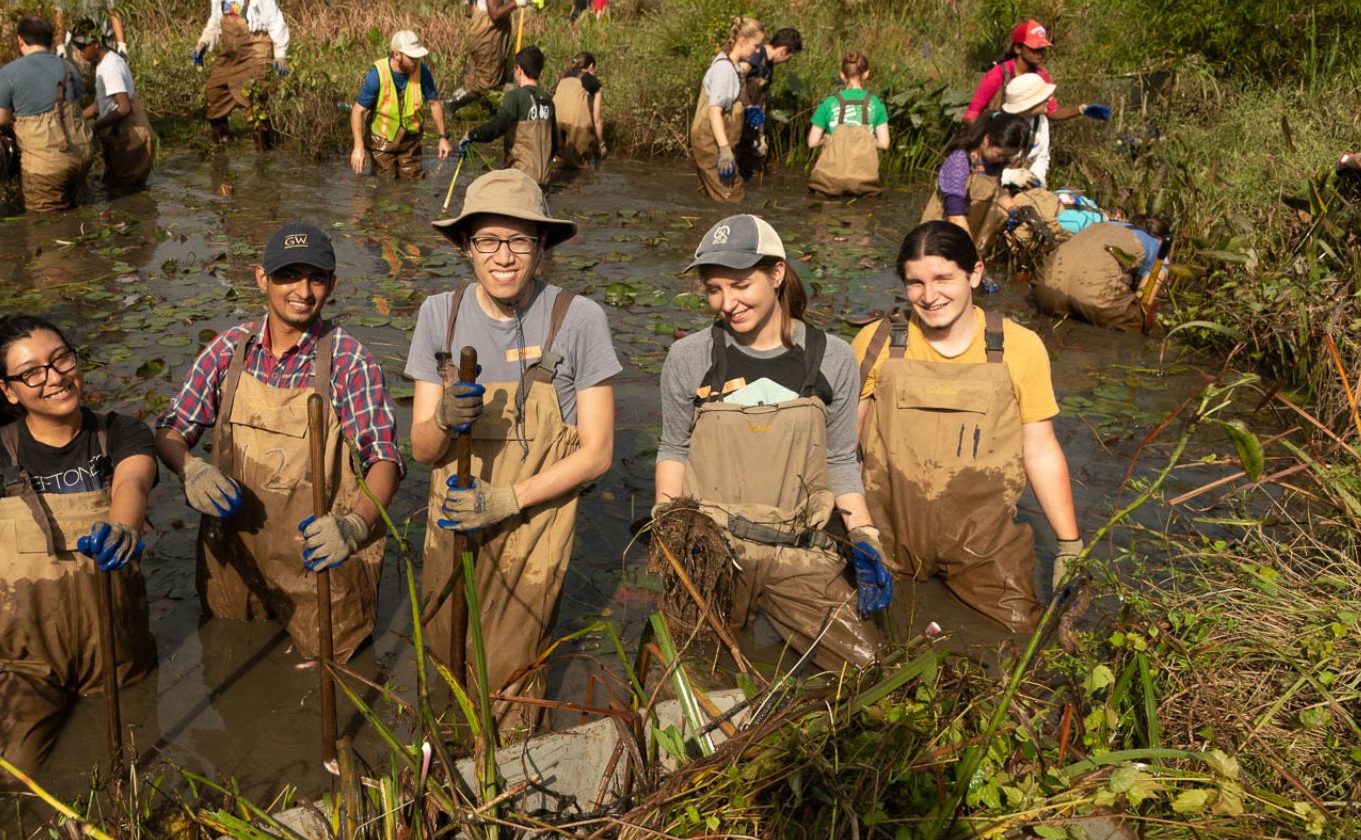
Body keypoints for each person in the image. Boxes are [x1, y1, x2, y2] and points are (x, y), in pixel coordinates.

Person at [406, 169, 621, 733]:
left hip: (532, 528)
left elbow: (597, 454)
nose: (503, 256)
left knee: (508, 691)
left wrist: (506, 498)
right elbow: (422, 450)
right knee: (443, 671)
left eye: (519, 240)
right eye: (487, 241)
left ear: (541, 246)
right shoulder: (439, 315)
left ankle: (507, 796)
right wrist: (442, 420)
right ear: (466, 248)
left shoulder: (578, 319)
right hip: (449, 525)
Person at [155, 224, 400, 663]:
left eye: (316, 278)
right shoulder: (229, 349)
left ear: (332, 285)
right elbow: (172, 430)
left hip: (320, 557)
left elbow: (383, 459)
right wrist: (190, 469)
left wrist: (355, 525)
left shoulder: (348, 360)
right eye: (288, 276)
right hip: (234, 556)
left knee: (332, 679)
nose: (302, 291)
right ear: (261, 279)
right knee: (230, 661)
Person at [655, 215, 889, 669]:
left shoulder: (832, 358)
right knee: (697, 671)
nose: (727, 302)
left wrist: (864, 536)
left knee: (867, 670)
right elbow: (674, 449)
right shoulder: (689, 357)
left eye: (740, 285)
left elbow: (840, 459)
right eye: (714, 289)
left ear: (777, 273)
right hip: (712, 547)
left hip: (800, 550)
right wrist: (668, 531)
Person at [0, 315, 159, 773]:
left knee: (138, 767)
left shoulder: (118, 432)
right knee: (13, 782)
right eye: (32, 372)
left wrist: (124, 528)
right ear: (9, 390)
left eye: (61, 360)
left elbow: (133, 482)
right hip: (22, 665)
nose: (55, 378)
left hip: (118, 650)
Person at [852, 222, 1082, 633]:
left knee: (1024, 643)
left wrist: (1069, 545)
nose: (929, 295)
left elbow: (1041, 450)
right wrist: (853, 528)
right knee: (872, 639)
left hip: (985, 546)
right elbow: (842, 443)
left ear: (975, 274)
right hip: (887, 537)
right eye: (915, 282)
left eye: (943, 278)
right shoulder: (879, 340)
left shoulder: (1020, 346)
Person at [0, 14, 91, 212]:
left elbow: (0, 120)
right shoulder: (69, 67)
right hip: (81, 159)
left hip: (46, 166)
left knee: (46, 231)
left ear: (20, 40)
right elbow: (78, 106)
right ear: (52, 40)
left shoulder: (8, 73)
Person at [193, 0, 290, 144]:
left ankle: (263, 151)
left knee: (252, 102)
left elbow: (275, 22)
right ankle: (222, 141)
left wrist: (280, 54)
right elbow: (214, 21)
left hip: (256, 51)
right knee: (214, 91)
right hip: (230, 53)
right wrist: (203, 42)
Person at [349, 29, 452, 180]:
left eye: (417, 57)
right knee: (385, 185)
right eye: (411, 58)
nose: (416, 62)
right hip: (381, 142)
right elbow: (357, 111)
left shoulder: (422, 72)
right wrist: (358, 147)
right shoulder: (378, 74)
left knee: (413, 181)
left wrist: (443, 137)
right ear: (396, 54)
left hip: (410, 141)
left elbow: (434, 103)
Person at [1032, 217, 1166, 331]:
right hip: (1093, 295)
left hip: (1046, 289)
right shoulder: (1159, 247)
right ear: (1160, 239)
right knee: (1138, 321)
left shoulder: (1100, 225)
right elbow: (1144, 301)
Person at [962, 20, 1108, 125]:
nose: (1041, 53)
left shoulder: (1042, 78)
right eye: (1035, 49)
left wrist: (1081, 109)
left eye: (1042, 49)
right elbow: (971, 116)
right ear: (1018, 49)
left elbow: (1051, 111)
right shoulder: (998, 75)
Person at [923, 111, 1032, 252]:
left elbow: (998, 193)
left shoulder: (993, 163)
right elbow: (955, 215)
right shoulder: (959, 162)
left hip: (972, 234)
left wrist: (1015, 212)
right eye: (1000, 154)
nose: (1003, 160)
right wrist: (970, 253)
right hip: (942, 237)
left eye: (1007, 156)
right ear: (986, 140)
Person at [72, 23, 156, 190]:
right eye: (77, 47)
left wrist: (94, 128)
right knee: (114, 187)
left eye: (83, 47)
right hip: (124, 137)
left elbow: (124, 108)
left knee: (125, 196)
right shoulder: (104, 62)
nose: (80, 52)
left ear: (96, 43)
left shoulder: (110, 67)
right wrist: (78, 118)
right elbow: (100, 104)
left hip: (131, 139)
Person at [459, 47, 556, 186]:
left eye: (515, 69)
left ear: (519, 69)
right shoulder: (548, 100)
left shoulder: (515, 97)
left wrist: (472, 135)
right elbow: (555, 144)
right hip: (544, 180)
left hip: (521, 178)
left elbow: (498, 126)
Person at [691, 17, 762, 202]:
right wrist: (724, 151)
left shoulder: (733, 66)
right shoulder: (724, 69)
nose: (757, 51)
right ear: (743, 41)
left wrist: (748, 111)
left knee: (710, 195)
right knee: (733, 197)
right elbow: (714, 112)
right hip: (710, 141)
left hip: (714, 139)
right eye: (756, 45)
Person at [806, 51, 890, 196]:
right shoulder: (876, 104)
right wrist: (864, 141)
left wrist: (830, 140)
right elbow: (884, 144)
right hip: (864, 181)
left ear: (842, 75)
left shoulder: (828, 103)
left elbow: (812, 142)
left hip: (829, 181)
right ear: (866, 74)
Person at [447, 0, 517, 111]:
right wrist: (516, 3)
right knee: (487, 81)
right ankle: (450, 104)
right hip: (489, 40)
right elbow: (495, 14)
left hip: (477, 38)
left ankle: (491, 110)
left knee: (477, 77)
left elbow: (468, 12)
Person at [739, 26, 802, 171]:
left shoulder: (769, 66)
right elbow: (737, 77)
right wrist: (748, 108)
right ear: (783, 50)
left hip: (748, 121)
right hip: (736, 115)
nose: (787, 61)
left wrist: (760, 134)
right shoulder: (755, 54)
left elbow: (762, 100)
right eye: (789, 57)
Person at [552, 52, 605, 169]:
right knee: (579, 167)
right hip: (576, 124)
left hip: (554, 122)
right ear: (591, 66)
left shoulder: (563, 76)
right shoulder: (591, 80)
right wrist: (601, 143)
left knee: (559, 163)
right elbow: (597, 119)